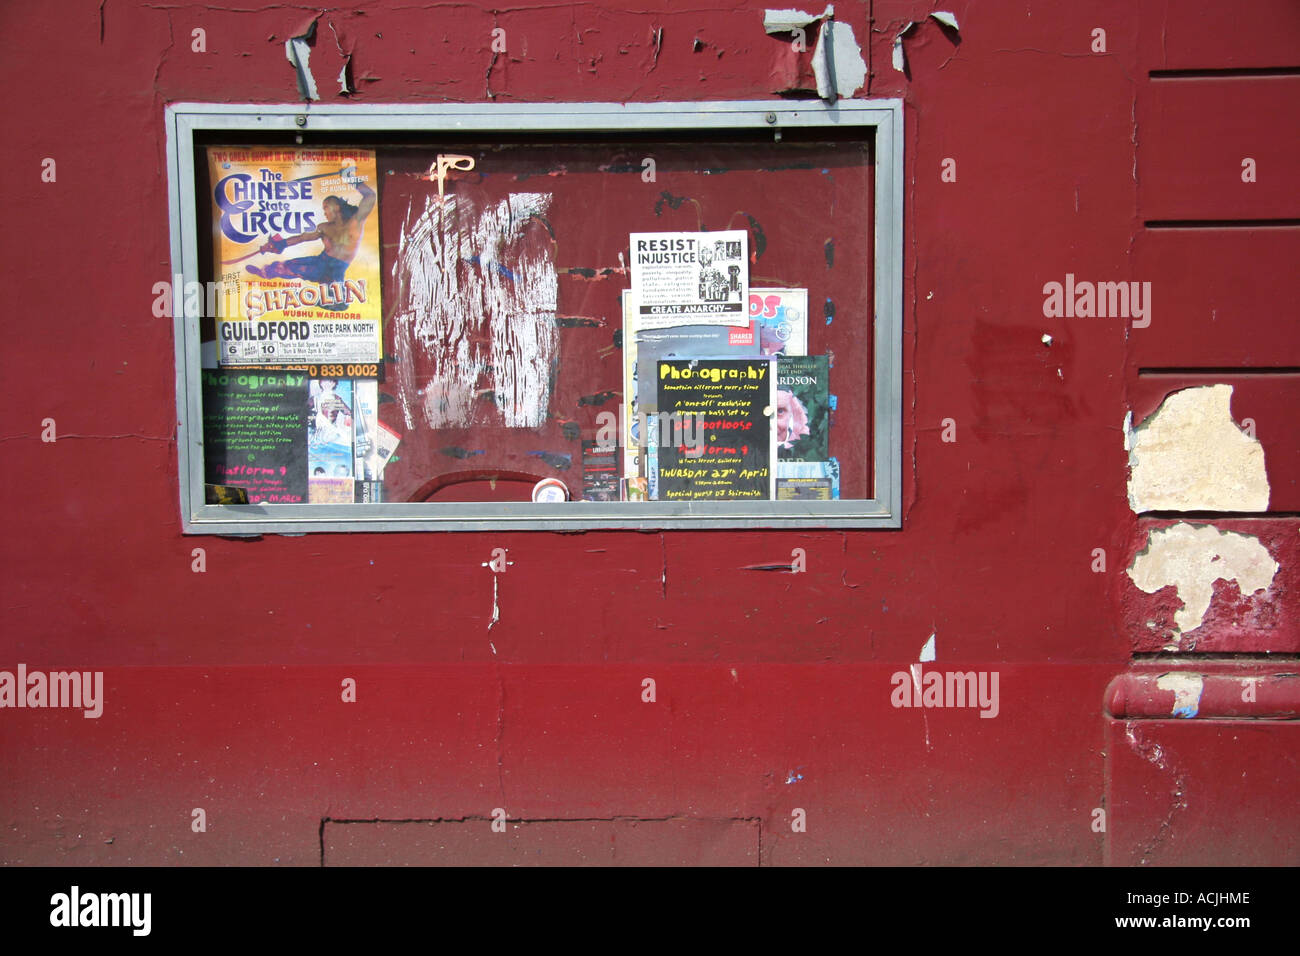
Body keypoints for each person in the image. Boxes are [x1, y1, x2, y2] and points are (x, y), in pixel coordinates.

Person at [247, 168, 376, 307]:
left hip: (337, 267)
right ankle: (265, 272)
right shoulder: (324, 227)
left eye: (326, 207)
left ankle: (327, 301)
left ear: (337, 207)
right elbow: (303, 238)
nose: (324, 212)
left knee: (339, 303)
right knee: (284, 267)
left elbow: (370, 196)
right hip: (320, 261)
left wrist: (350, 178)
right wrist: (279, 244)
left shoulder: (356, 221)